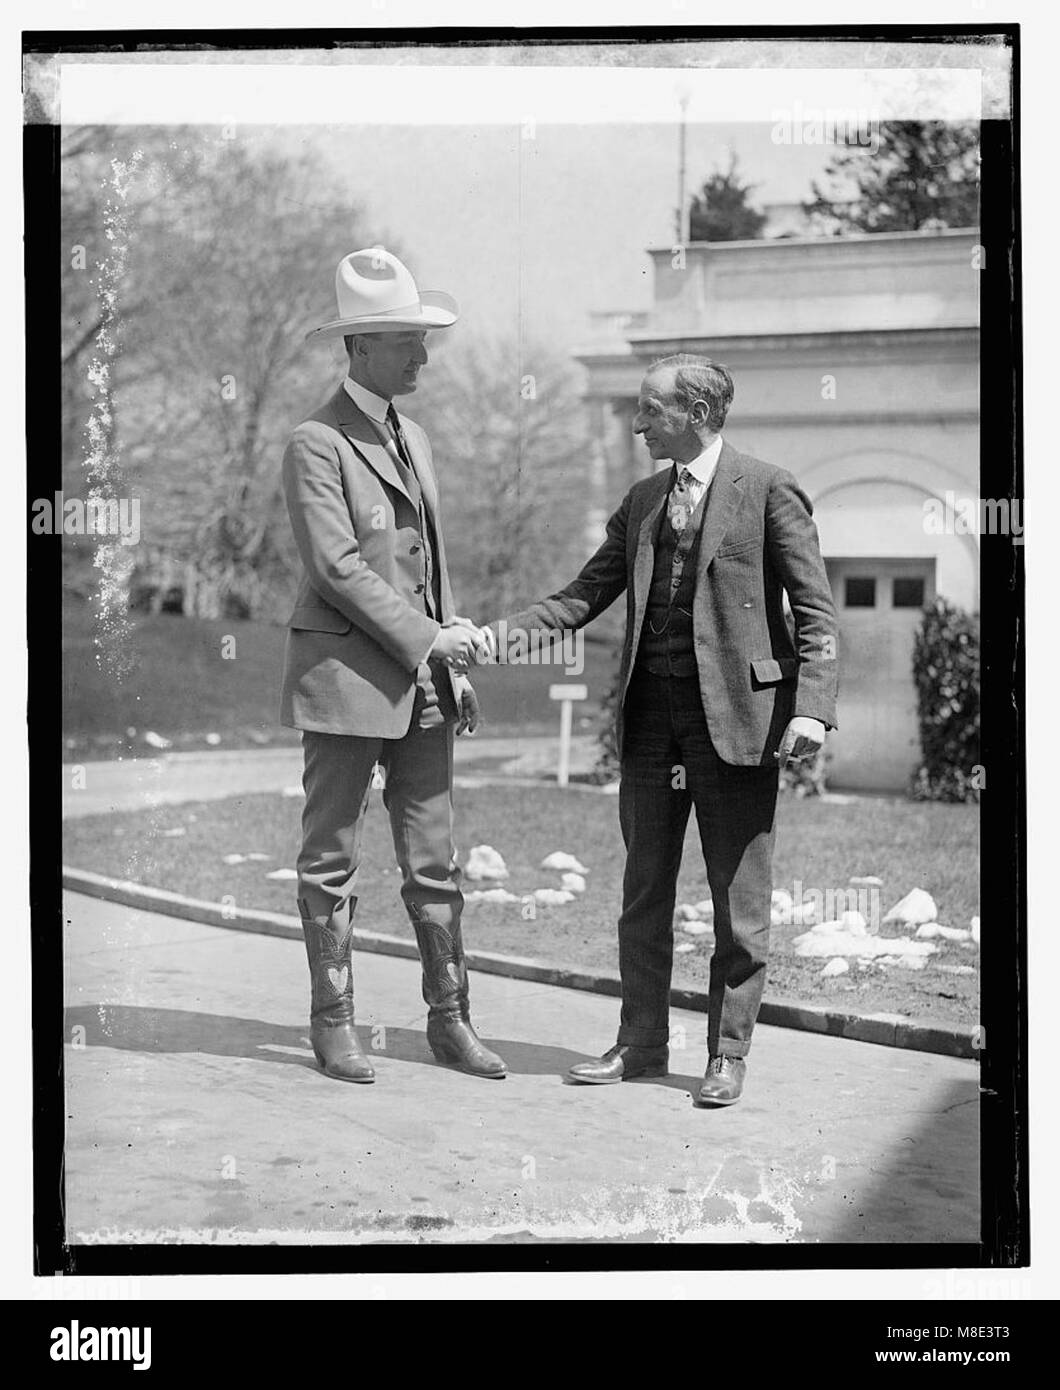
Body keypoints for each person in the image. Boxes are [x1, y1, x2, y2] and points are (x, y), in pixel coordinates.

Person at [484, 355, 837, 1105]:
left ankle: (727, 1054)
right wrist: (489, 640)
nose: (637, 423)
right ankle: (640, 1041)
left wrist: (810, 707)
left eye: (651, 409)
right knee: (643, 892)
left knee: (738, 902)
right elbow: (580, 598)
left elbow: (816, 613)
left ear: (700, 411)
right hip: (650, 726)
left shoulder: (769, 489)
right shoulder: (644, 499)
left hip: (739, 726)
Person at [280, 247, 504, 1085]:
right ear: (362, 344)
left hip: (426, 687)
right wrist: (428, 640)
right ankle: (332, 1023)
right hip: (342, 687)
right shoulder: (316, 441)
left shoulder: (415, 436)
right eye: (408, 339)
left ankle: (450, 1020)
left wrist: (453, 661)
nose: (422, 354)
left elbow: (426, 567)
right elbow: (338, 569)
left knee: (435, 859)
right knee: (330, 858)